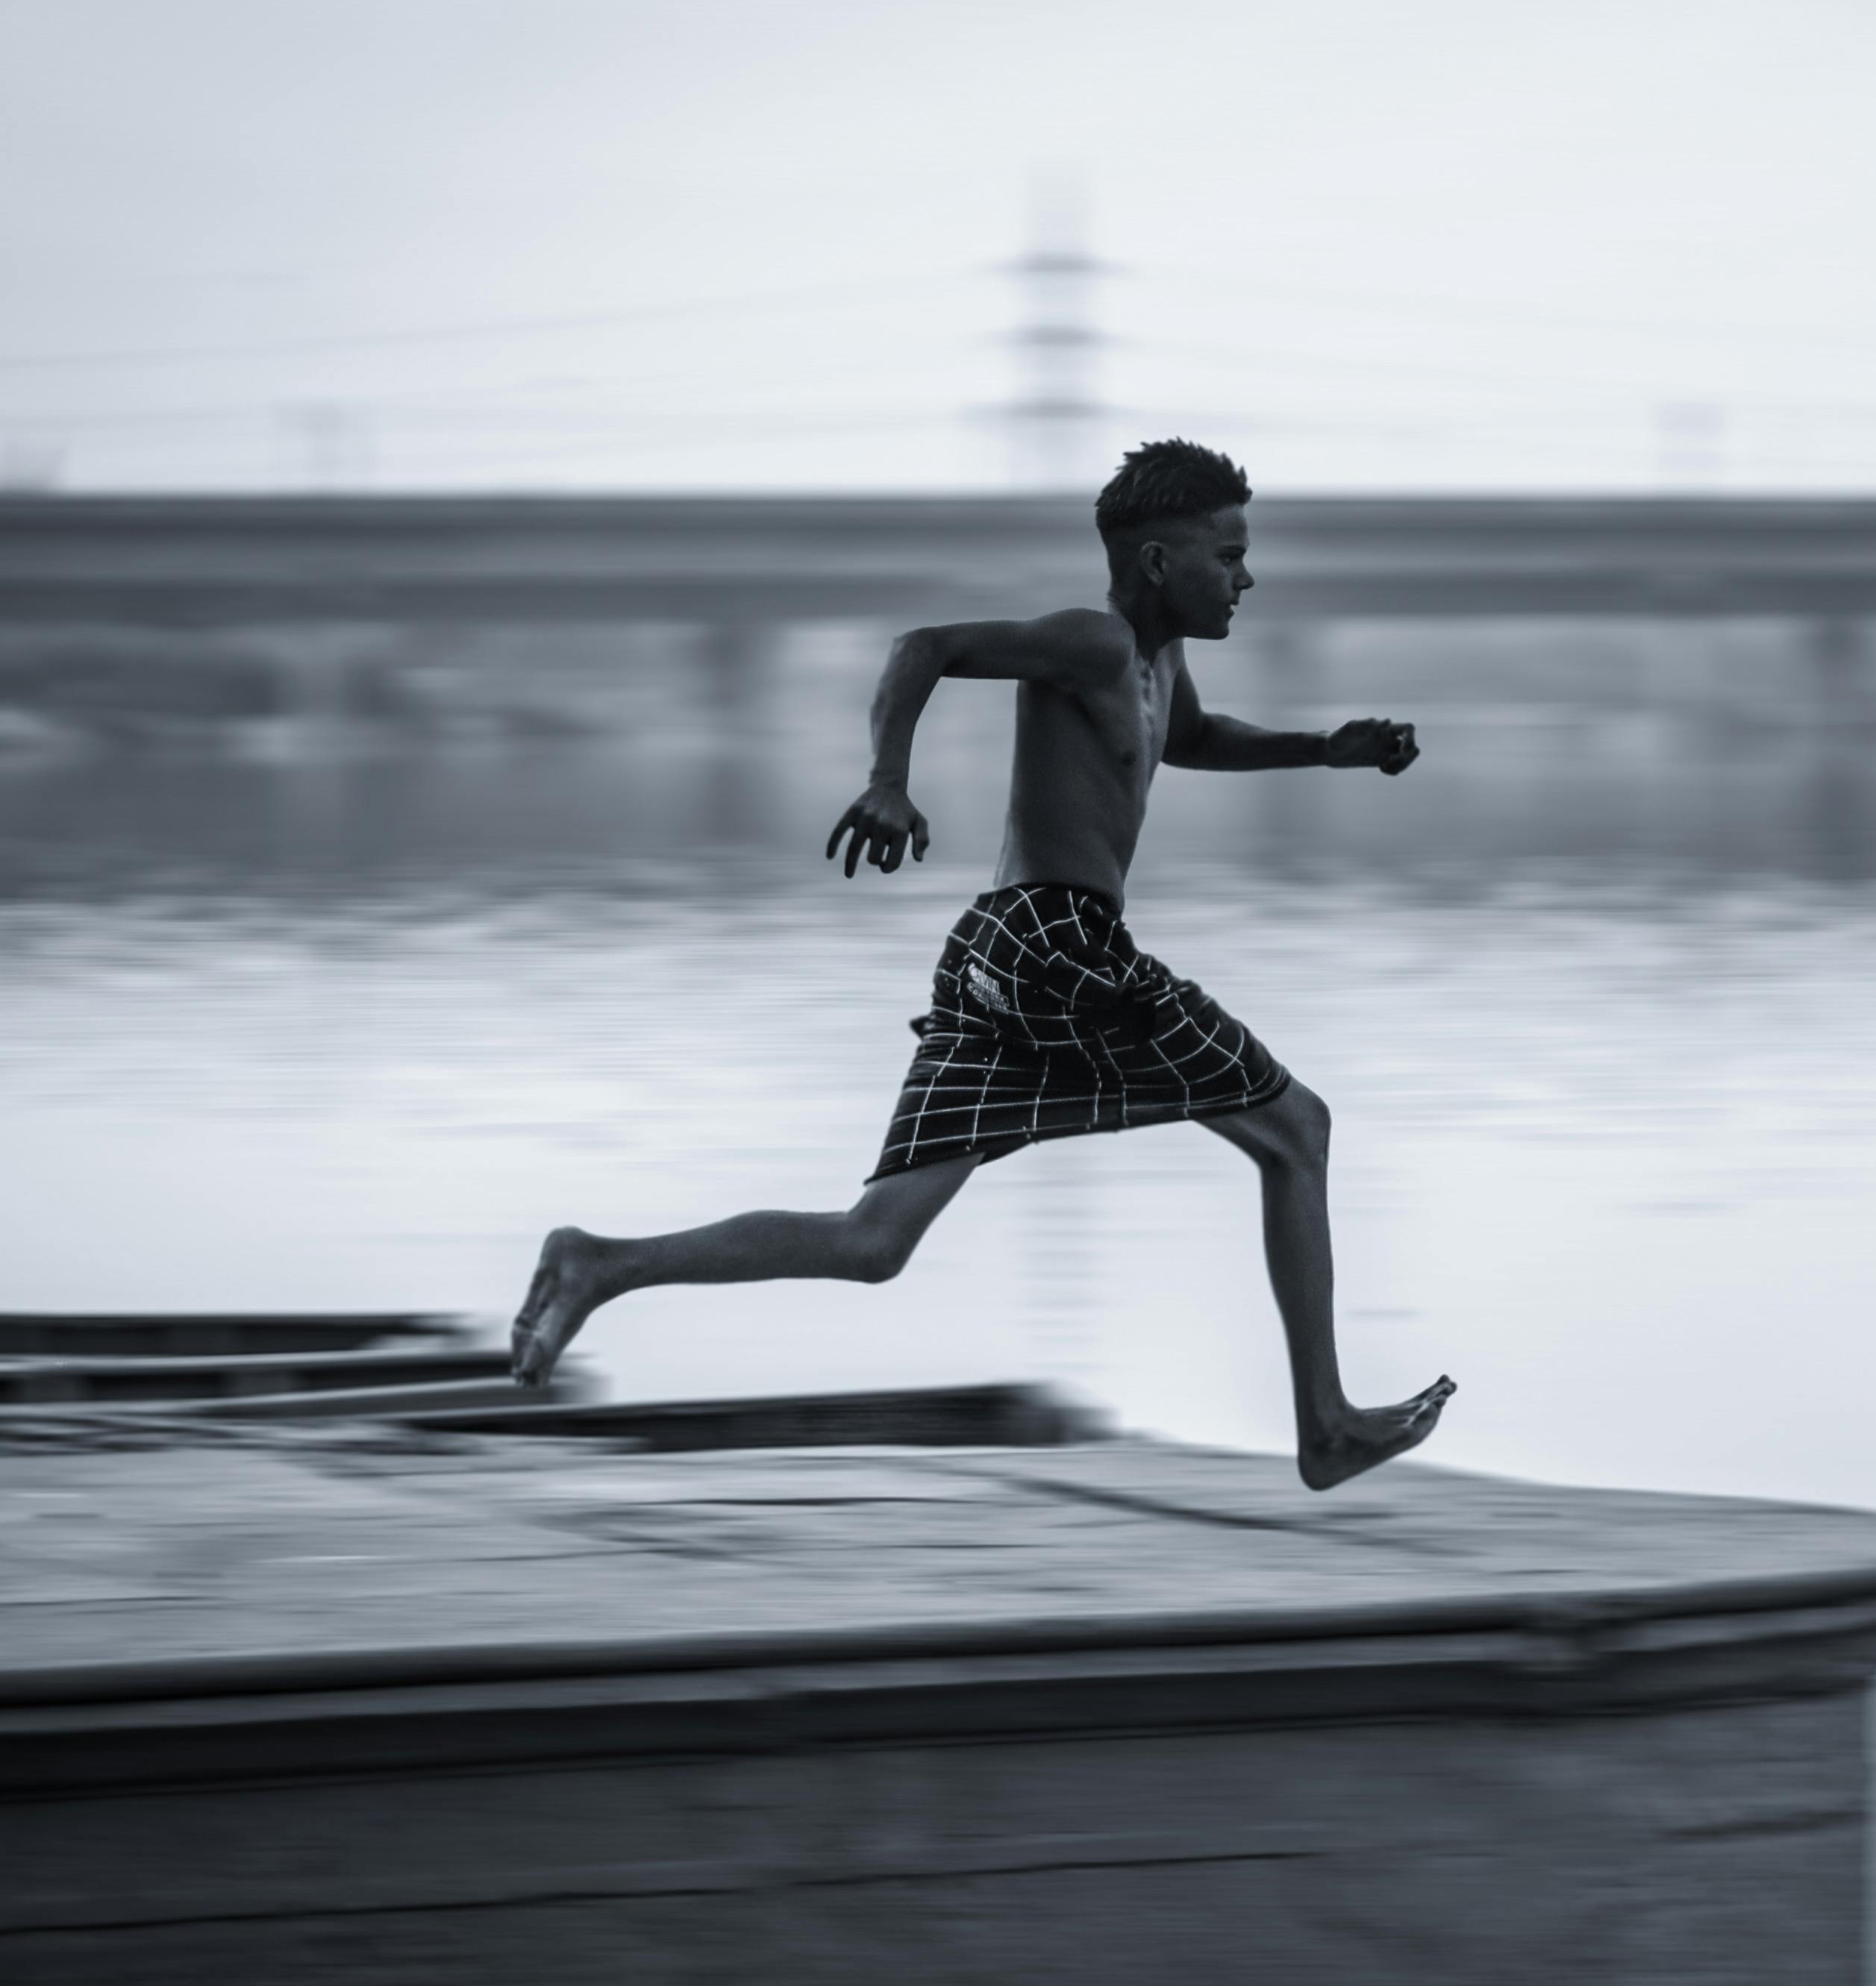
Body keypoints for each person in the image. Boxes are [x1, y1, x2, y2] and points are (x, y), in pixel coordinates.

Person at [507, 439, 1453, 1490]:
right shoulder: (1091, 642)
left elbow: (1189, 738)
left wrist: (1325, 748)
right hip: (1063, 947)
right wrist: (887, 781)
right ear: (1154, 563)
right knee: (1297, 1130)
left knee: (874, 1243)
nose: (1246, 578)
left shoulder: (1158, 661)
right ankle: (1324, 1426)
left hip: (998, 952)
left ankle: (600, 1262)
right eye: (1227, 555)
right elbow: (924, 648)